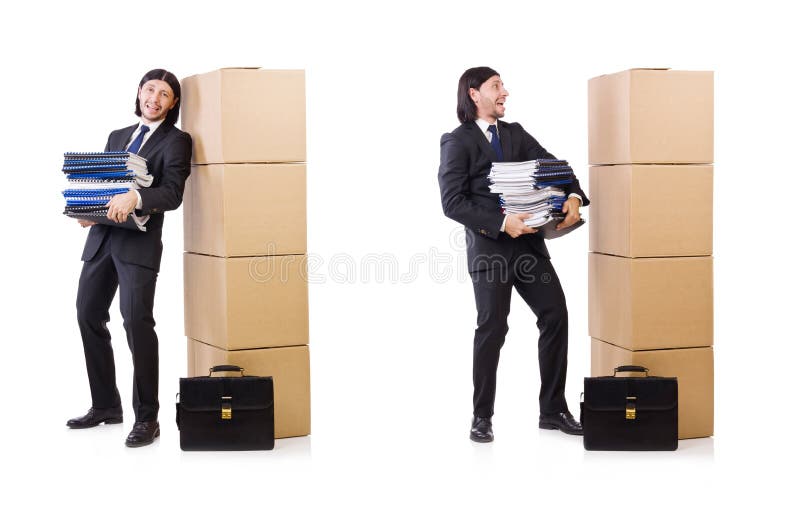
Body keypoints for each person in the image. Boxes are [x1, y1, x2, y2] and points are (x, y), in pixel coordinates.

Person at [438, 67, 589, 442]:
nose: (505, 92)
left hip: (528, 249)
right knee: (493, 327)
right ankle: (481, 416)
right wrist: (503, 222)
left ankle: (552, 410)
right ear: (474, 94)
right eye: (496, 86)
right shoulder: (457, 141)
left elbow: (558, 168)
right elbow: (452, 202)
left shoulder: (516, 134)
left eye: (502, 85)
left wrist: (572, 195)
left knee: (555, 314)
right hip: (490, 250)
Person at [66, 69, 192, 447]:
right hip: (103, 237)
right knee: (87, 314)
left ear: (172, 104)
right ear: (139, 92)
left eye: (165, 94)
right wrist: (90, 209)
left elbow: (172, 193)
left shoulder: (177, 140)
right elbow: (106, 183)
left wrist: (136, 198)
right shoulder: (117, 137)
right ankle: (106, 405)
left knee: (137, 323)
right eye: (150, 89)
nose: (154, 98)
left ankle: (148, 418)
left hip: (138, 245)